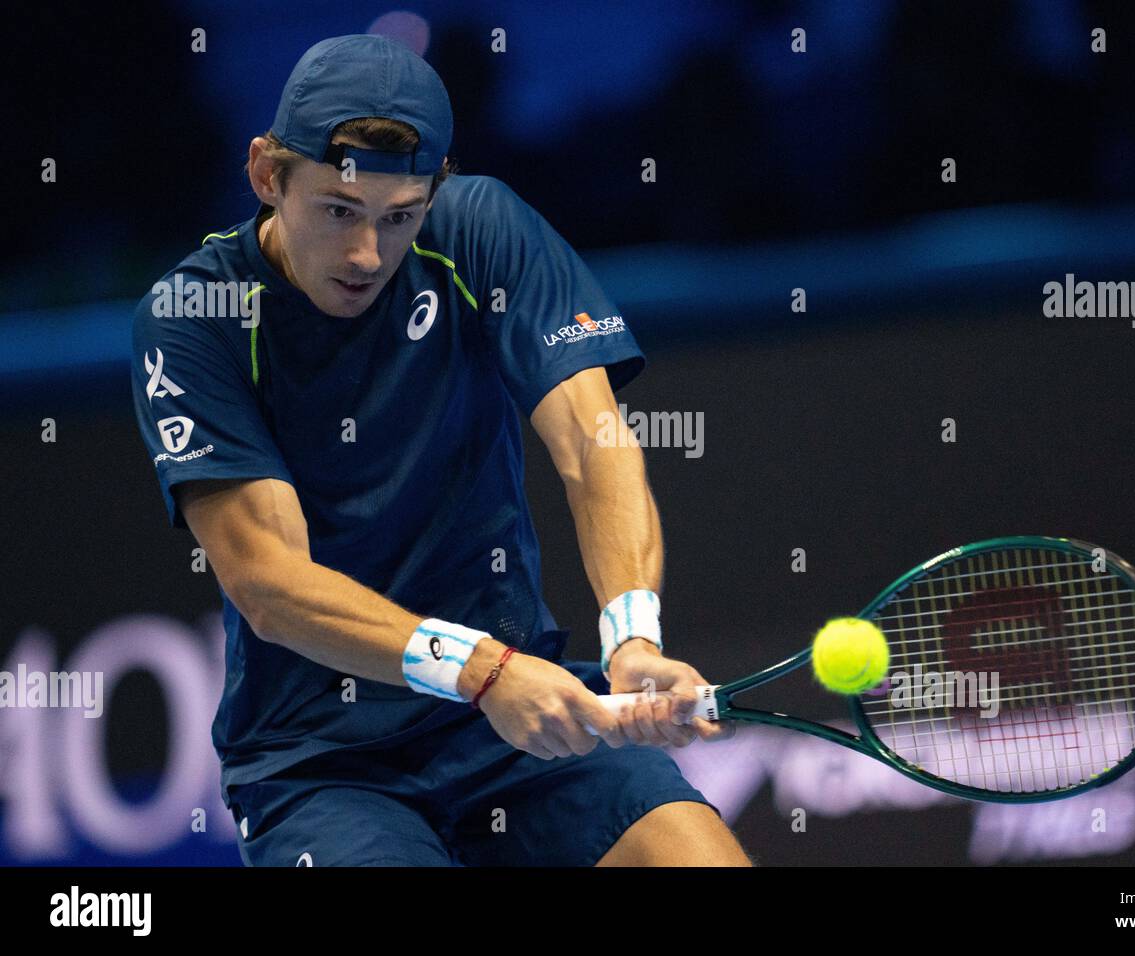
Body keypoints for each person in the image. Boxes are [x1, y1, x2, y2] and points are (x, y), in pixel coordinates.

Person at [130, 34, 750, 867]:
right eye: (339, 210)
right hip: (324, 762)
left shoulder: (482, 228)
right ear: (267, 174)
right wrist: (481, 670)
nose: (367, 254)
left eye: (399, 217)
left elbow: (594, 443)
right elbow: (270, 582)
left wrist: (631, 638)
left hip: (515, 726)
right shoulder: (193, 317)